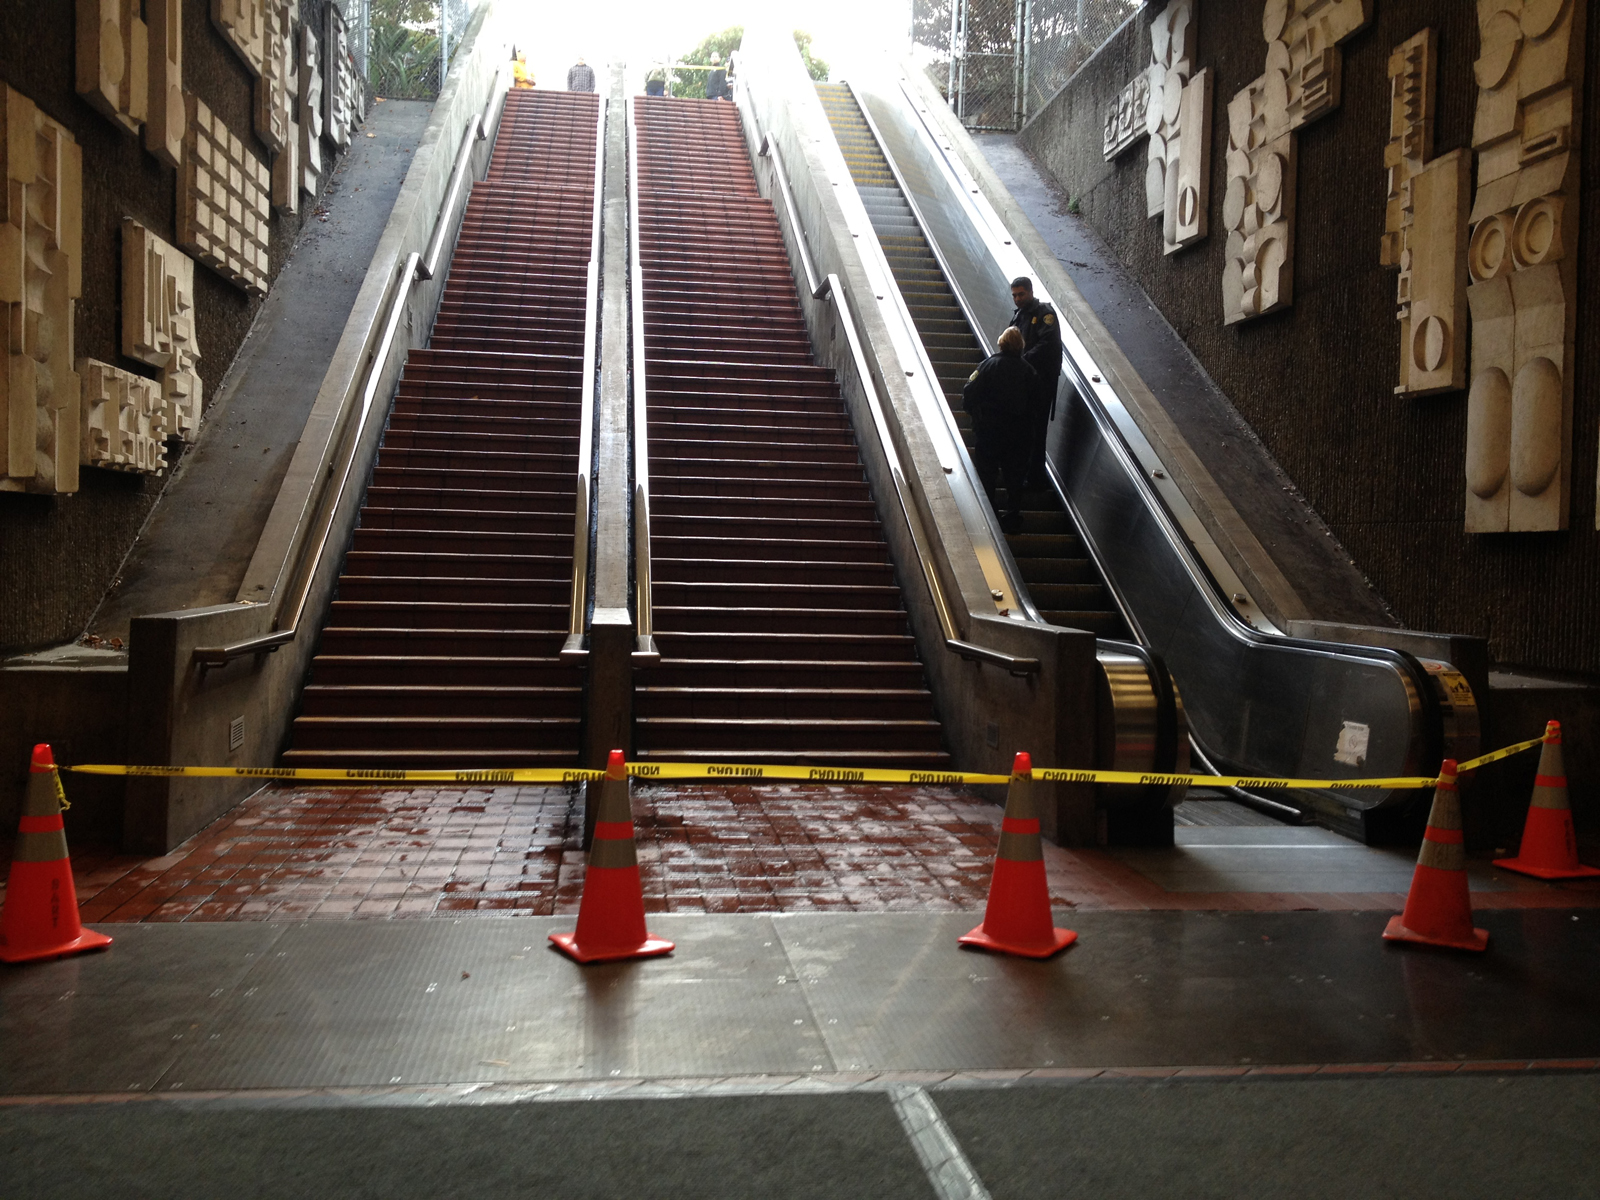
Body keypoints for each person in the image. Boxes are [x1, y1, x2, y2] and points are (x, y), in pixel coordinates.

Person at [963, 326, 1035, 533]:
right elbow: (1037, 402)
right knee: (1015, 476)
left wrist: (975, 415)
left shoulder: (988, 366)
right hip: (1019, 436)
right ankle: (1012, 516)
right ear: (1020, 346)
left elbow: (969, 391)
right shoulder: (1029, 371)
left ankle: (990, 515)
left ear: (1001, 343)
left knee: (987, 472)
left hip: (990, 432)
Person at [1009, 276, 1062, 487]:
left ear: (1030, 292)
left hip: (1041, 382)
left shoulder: (1044, 314)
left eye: (1021, 294)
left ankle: (1036, 476)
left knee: (1037, 430)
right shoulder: (1018, 316)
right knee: (1023, 429)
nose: (1017, 299)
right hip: (1024, 383)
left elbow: (1049, 344)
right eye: (1014, 295)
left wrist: (1021, 361)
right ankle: (1025, 474)